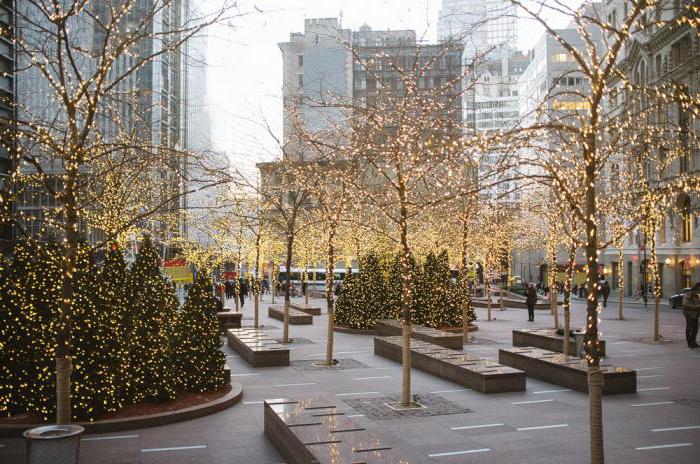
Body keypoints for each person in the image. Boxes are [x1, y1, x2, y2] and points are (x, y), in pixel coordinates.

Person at [682, 282, 700, 349]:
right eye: (698, 290)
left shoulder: (697, 296)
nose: (699, 291)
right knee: (689, 328)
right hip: (689, 314)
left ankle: (693, 342)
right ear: (695, 289)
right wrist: (696, 306)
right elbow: (685, 305)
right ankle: (689, 343)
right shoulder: (688, 295)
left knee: (695, 329)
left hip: (695, 315)